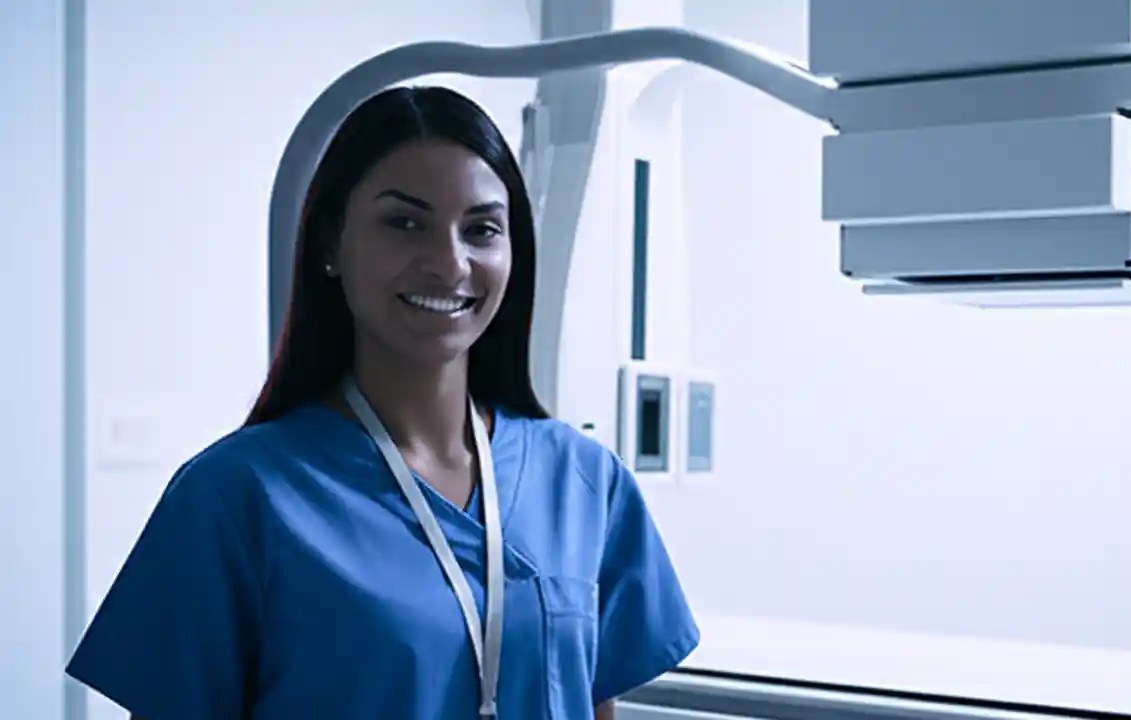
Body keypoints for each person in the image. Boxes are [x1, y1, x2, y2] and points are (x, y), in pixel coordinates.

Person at [65, 85, 700, 719]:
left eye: (481, 230)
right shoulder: (235, 498)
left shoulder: (586, 483)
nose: (450, 264)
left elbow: (596, 703)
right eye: (405, 223)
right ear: (330, 246)